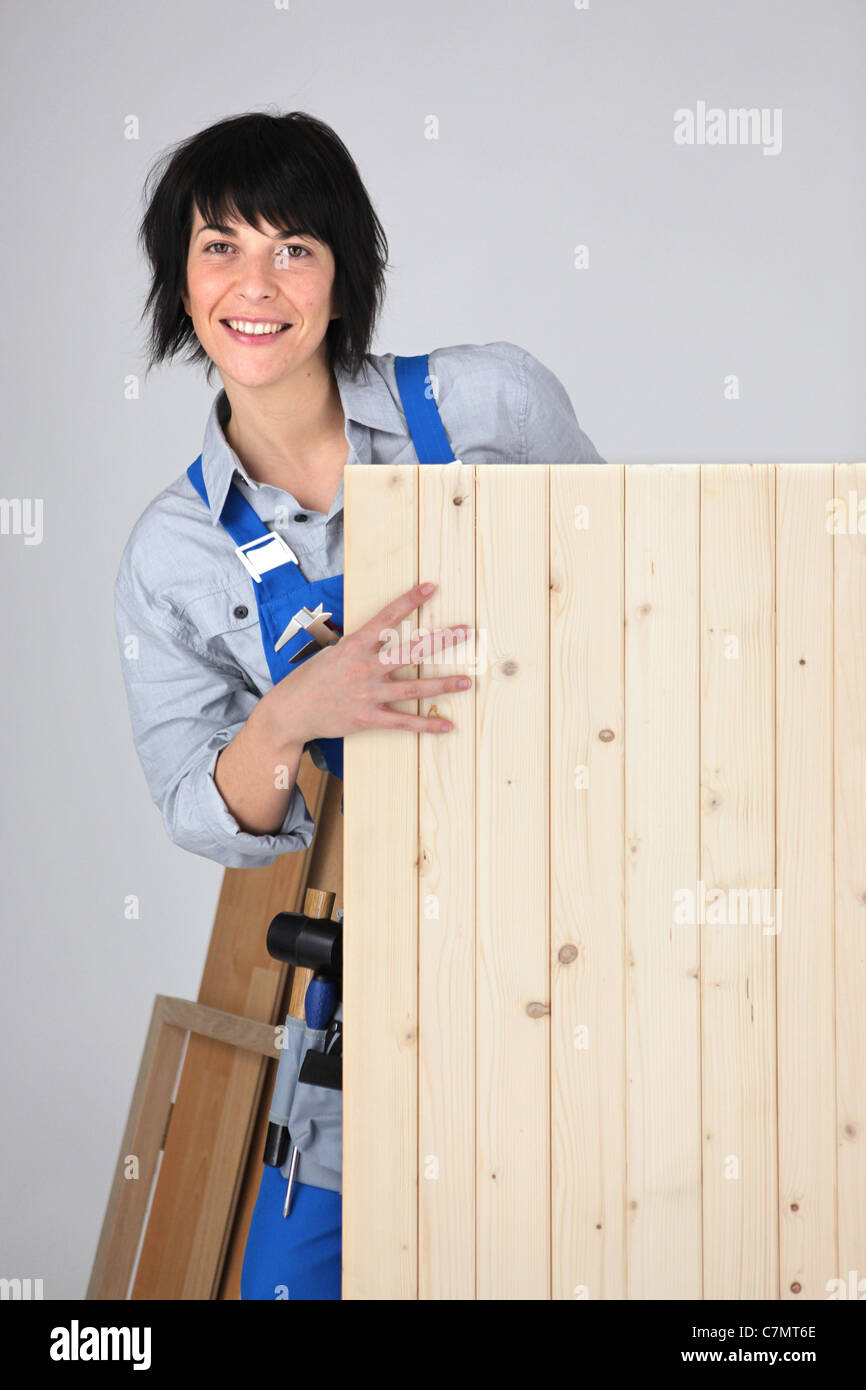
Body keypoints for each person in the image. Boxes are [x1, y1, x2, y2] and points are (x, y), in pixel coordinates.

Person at [114, 108, 604, 1300]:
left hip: (585, 914)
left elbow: (627, 590)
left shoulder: (489, 406)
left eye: (295, 249)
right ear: (181, 282)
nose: (255, 283)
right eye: (220, 246)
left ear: (343, 277)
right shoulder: (174, 552)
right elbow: (200, 806)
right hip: (379, 964)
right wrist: (289, 712)